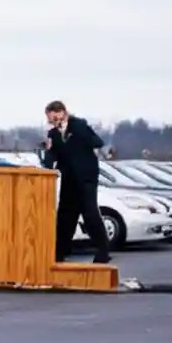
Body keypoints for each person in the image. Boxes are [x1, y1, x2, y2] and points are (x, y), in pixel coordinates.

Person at [41, 100, 110, 263]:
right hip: (69, 178)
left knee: (90, 212)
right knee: (66, 216)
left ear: (63, 113)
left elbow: (97, 142)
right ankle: (59, 252)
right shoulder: (53, 134)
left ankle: (103, 250)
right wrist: (47, 166)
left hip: (86, 178)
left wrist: (79, 137)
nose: (54, 121)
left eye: (56, 117)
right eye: (51, 119)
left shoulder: (79, 126)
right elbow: (53, 155)